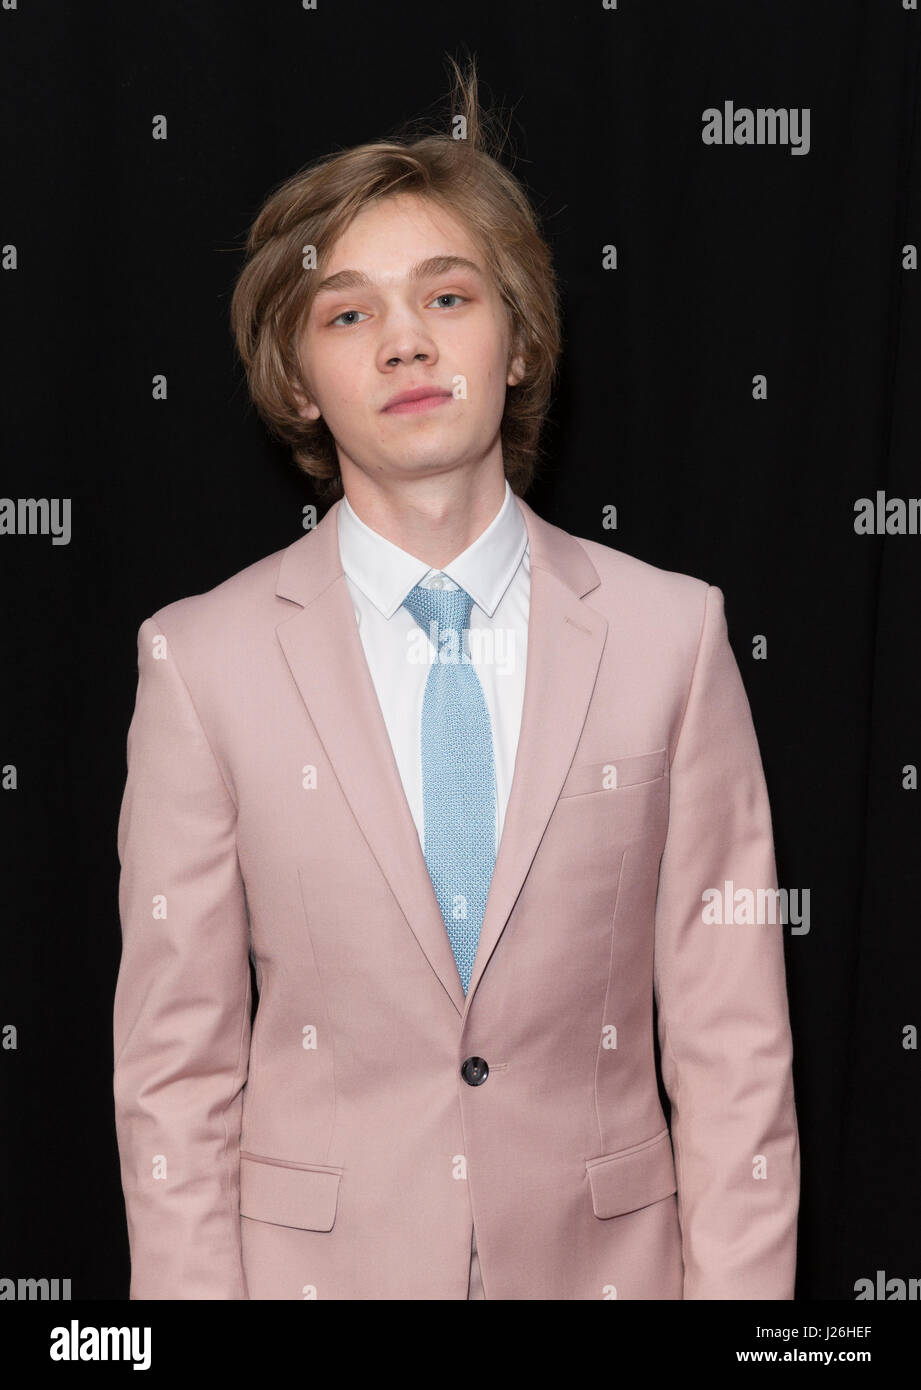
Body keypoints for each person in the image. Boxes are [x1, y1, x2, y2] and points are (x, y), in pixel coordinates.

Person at [113, 58, 799, 1300]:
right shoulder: (200, 664)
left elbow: (734, 1046)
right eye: (348, 313)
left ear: (521, 338)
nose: (406, 342)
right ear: (300, 381)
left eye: (447, 294)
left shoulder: (673, 635)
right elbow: (175, 1073)